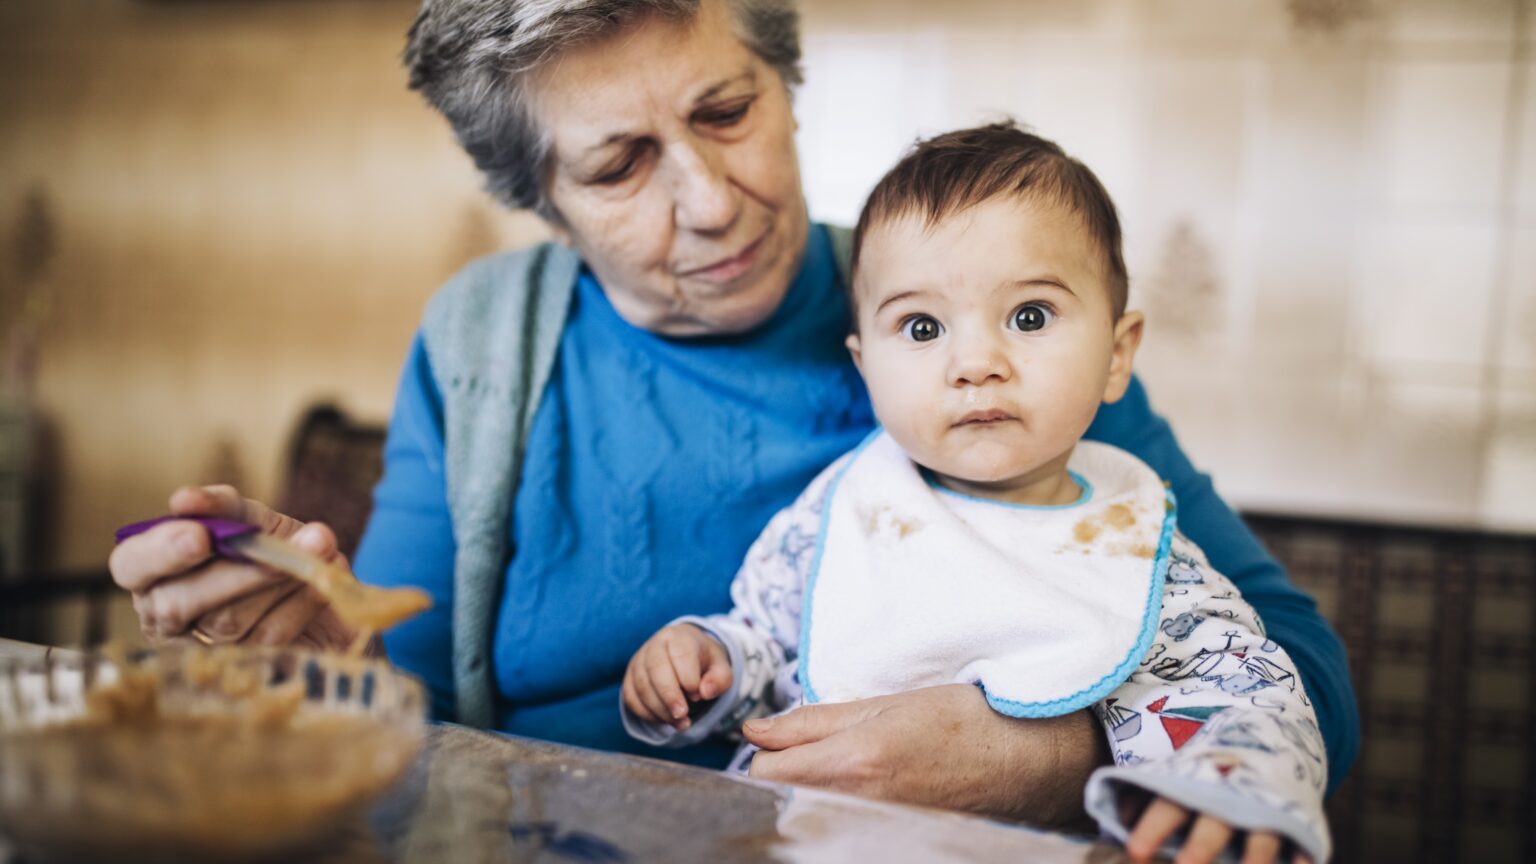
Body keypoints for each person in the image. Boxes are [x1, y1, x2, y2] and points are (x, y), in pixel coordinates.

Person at [106, 0, 1357, 827]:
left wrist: (1042, 755)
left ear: (787, 84)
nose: (709, 201)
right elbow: (406, 737)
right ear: (542, 199)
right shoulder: (484, 340)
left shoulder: (979, 307)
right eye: (619, 165)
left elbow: (1305, 689)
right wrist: (323, 666)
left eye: (726, 112)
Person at [621, 123, 1328, 864]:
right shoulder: (851, 507)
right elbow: (767, 641)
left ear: (1118, 356)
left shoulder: (1135, 546)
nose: (976, 362)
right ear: (866, 367)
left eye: (1029, 317)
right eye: (922, 326)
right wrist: (710, 666)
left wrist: (1229, 788)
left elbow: (1251, 695)